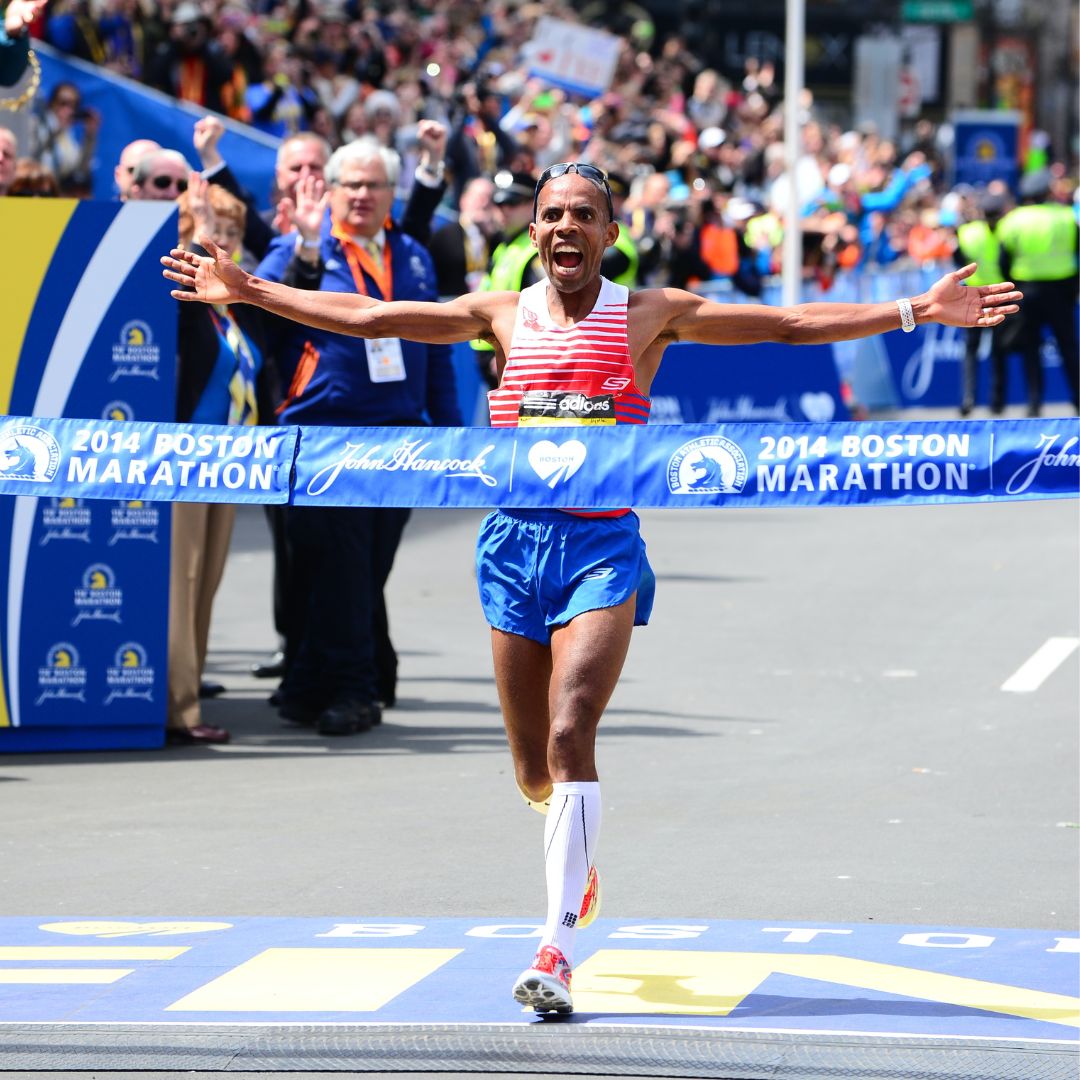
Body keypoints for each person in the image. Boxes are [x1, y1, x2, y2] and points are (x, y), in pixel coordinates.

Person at [163, 160, 1022, 1014]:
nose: (567, 225)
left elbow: (789, 323)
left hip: (601, 548)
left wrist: (916, 308)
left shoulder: (650, 314)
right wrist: (252, 292)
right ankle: (571, 841)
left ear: (611, 235)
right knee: (537, 771)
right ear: (533, 233)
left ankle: (556, 947)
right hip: (510, 549)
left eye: (584, 214)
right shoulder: (495, 314)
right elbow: (369, 313)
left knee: (574, 733)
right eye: (552, 214)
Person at [252, 138, 461, 736]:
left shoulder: (413, 255)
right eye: (353, 185)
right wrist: (308, 243)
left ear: (392, 195)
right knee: (339, 566)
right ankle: (354, 689)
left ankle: (311, 680)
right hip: (325, 434)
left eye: (375, 186)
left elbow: (437, 348)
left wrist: (451, 435)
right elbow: (263, 306)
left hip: (399, 435)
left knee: (364, 568)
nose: (364, 195)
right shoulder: (305, 245)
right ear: (331, 189)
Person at [167, 178, 274, 746]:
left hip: (229, 461)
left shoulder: (240, 312)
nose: (224, 244)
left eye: (233, 234)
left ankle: (192, 685)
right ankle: (179, 710)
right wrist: (199, 225)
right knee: (182, 581)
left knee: (206, 581)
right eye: (214, 233)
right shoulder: (186, 300)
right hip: (185, 459)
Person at [995, 170, 1080, 416]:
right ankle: (1077, 399)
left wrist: (1013, 285)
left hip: (1026, 290)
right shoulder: (1066, 216)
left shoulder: (1012, 220)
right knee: (1069, 347)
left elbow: (1003, 261)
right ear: (1046, 192)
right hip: (1061, 291)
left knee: (1030, 348)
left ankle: (1034, 404)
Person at [956, 191, 1010, 416]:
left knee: (971, 350)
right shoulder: (1005, 231)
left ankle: (968, 397)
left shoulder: (967, 232)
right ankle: (997, 402)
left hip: (973, 294)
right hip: (999, 293)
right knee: (999, 350)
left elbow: (958, 262)